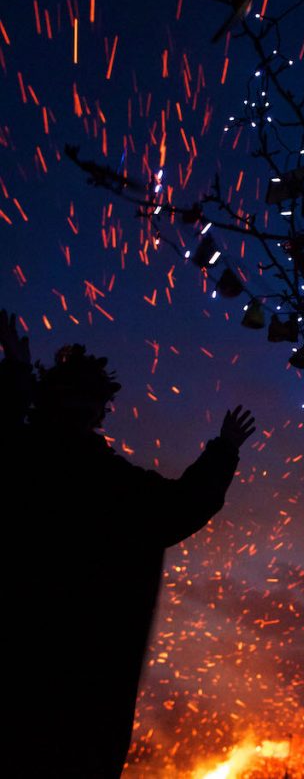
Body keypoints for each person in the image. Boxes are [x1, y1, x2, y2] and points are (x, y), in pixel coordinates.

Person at [0, 310, 255, 778]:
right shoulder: (88, 474)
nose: (91, 410)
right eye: (84, 399)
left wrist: (17, 371)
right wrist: (224, 450)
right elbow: (176, 507)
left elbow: (172, 507)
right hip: (79, 678)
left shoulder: (47, 460)